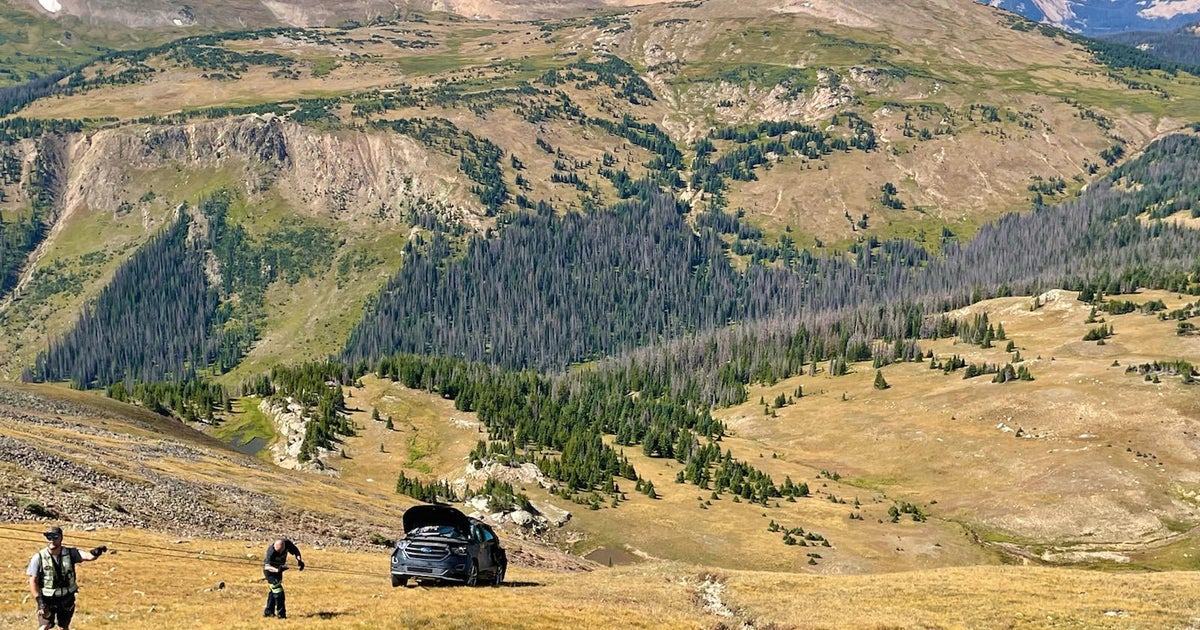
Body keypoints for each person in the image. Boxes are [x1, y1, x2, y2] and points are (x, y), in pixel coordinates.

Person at [26, 526, 106, 630]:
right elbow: (33, 581)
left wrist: (96, 552)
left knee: (63, 627)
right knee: (44, 626)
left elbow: (88, 556)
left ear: (61, 538)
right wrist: (40, 601)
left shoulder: (71, 553)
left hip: (66, 599)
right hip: (47, 600)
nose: (52, 540)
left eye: (55, 536)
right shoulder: (38, 558)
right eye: (49, 537)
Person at [262, 538, 304, 619]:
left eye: (282, 551)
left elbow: (296, 551)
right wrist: (277, 570)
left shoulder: (287, 543)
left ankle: (268, 612)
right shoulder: (271, 552)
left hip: (279, 570)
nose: (280, 553)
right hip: (270, 572)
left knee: (273, 592)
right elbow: (267, 567)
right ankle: (281, 615)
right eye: (278, 552)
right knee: (279, 593)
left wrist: (299, 560)